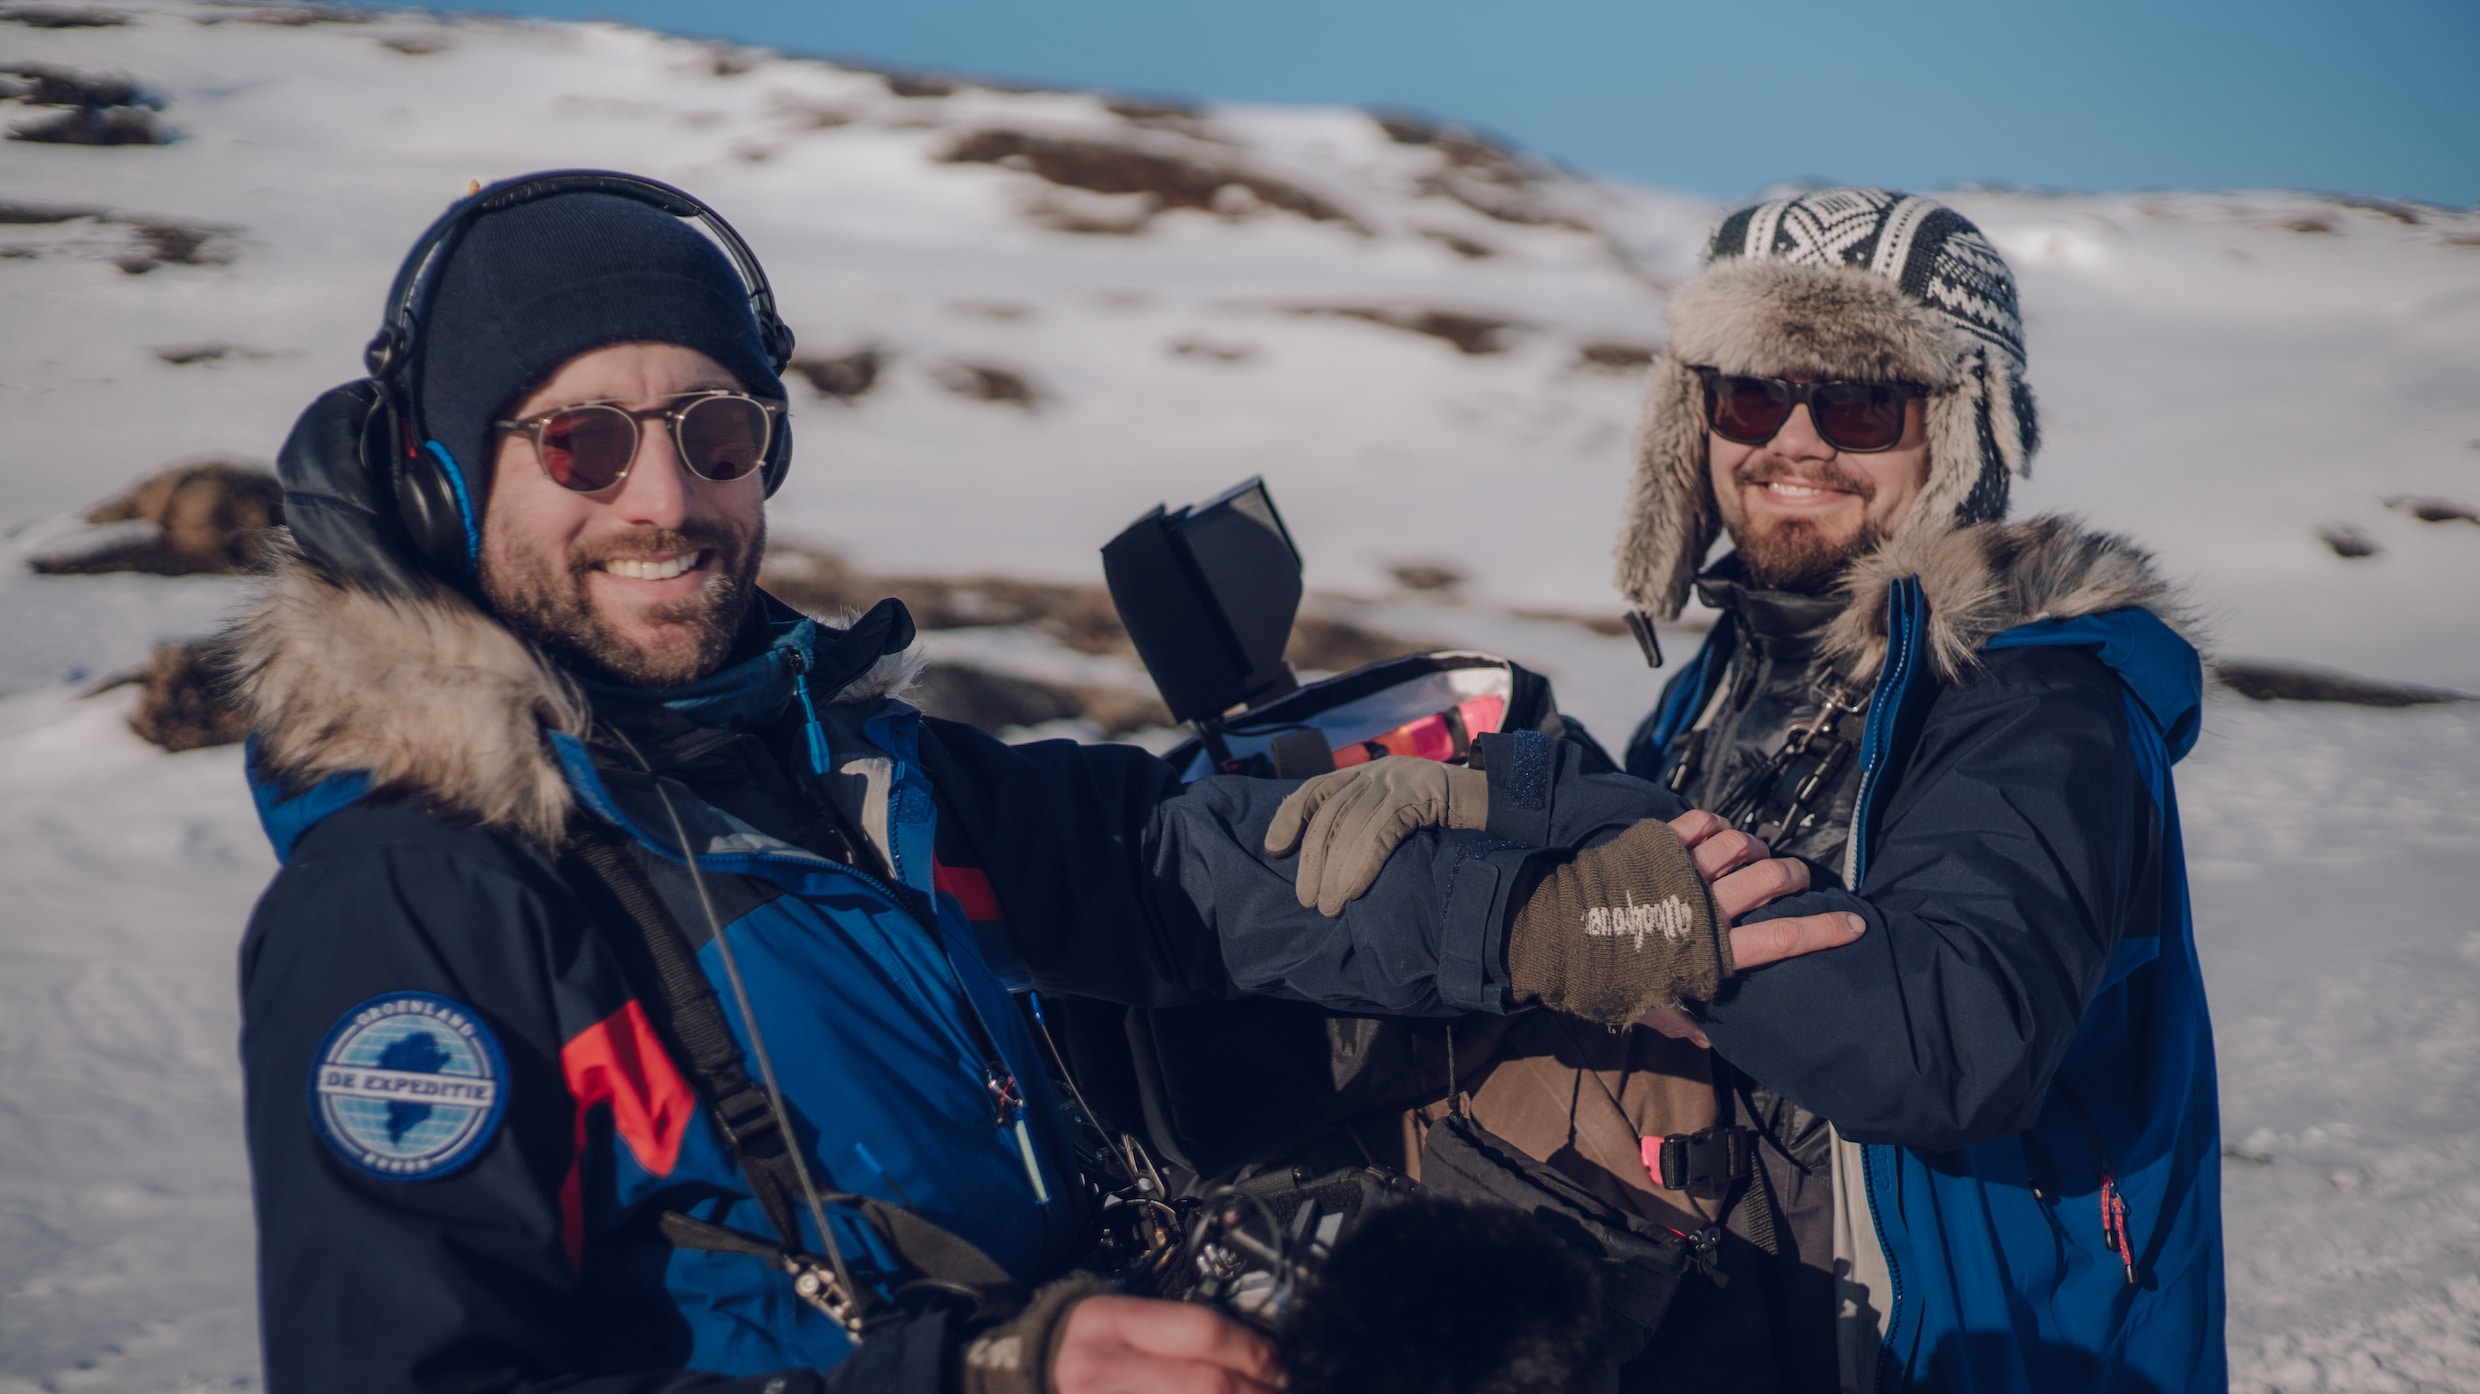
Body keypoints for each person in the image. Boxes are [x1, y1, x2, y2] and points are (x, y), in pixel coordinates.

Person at [225, 173, 1857, 1394]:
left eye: (715, 431)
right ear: (447, 482)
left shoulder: (846, 774)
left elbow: (1169, 863)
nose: (668, 496)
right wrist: (982, 1366)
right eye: (581, 443)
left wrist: (1539, 914)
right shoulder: (418, 901)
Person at [1272, 187, 2222, 1392]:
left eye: (1863, 399)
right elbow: (1660, 850)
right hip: (1754, 1286)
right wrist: (1494, 780)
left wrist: (1583, 843)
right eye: (1752, 394)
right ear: (1694, 420)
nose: (1797, 441)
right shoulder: (1739, 668)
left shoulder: (2032, 700)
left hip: (1952, 1331)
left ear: (1960, 433)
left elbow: (1940, 1044)